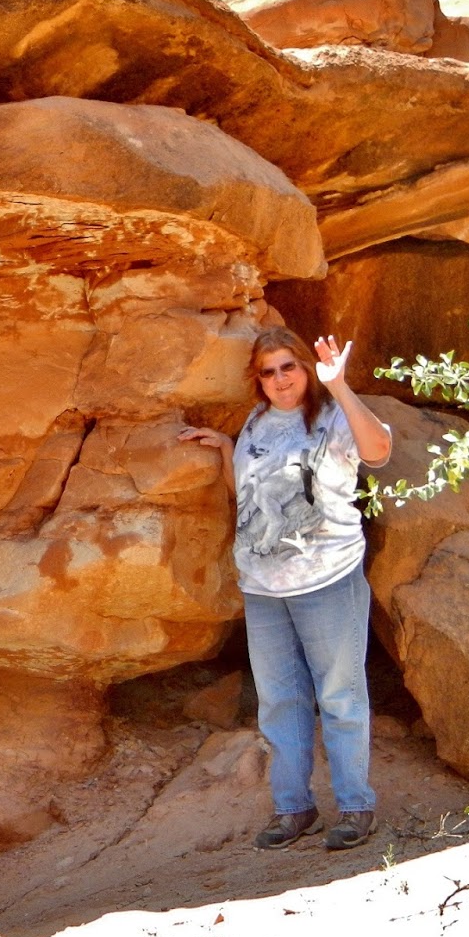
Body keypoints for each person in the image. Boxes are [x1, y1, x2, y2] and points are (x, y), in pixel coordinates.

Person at [179, 329, 393, 850]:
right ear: (258, 379)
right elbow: (253, 498)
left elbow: (380, 450)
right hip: (263, 588)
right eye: (268, 371)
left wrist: (339, 387)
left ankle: (355, 805)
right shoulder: (255, 423)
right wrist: (230, 451)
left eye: (288, 367)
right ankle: (294, 807)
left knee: (339, 695)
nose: (279, 379)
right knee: (279, 701)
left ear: (305, 366)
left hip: (328, 580)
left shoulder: (331, 417)